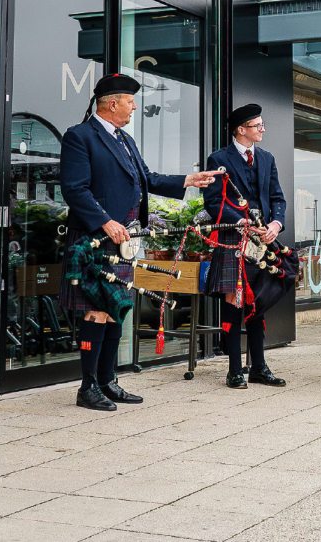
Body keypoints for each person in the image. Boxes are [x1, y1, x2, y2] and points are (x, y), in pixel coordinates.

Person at [59, 73, 221, 411]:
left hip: (125, 240)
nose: (134, 106)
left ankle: (107, 381)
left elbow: (147, 179)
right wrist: (104, 221)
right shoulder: (80, 136)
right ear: (112, 103)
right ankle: (87, 388)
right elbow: (75, 188)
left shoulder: (124, 139)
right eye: (130, 100)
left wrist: (188, 180)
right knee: (96, 313)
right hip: (95, 240)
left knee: (115, 311)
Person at [204, 103, 289, 390]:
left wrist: (276, 225)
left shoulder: (267, 158)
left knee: (258, 301)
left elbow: (278, 197)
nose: (263, 129)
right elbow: (213, 203)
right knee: (234, 301)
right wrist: (241, 222)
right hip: (233, 238)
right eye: (258, 125)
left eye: (262, 125)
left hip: (263, 238)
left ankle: (259, 367)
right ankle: (233, 369)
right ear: (241, 130)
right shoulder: (218, 158)